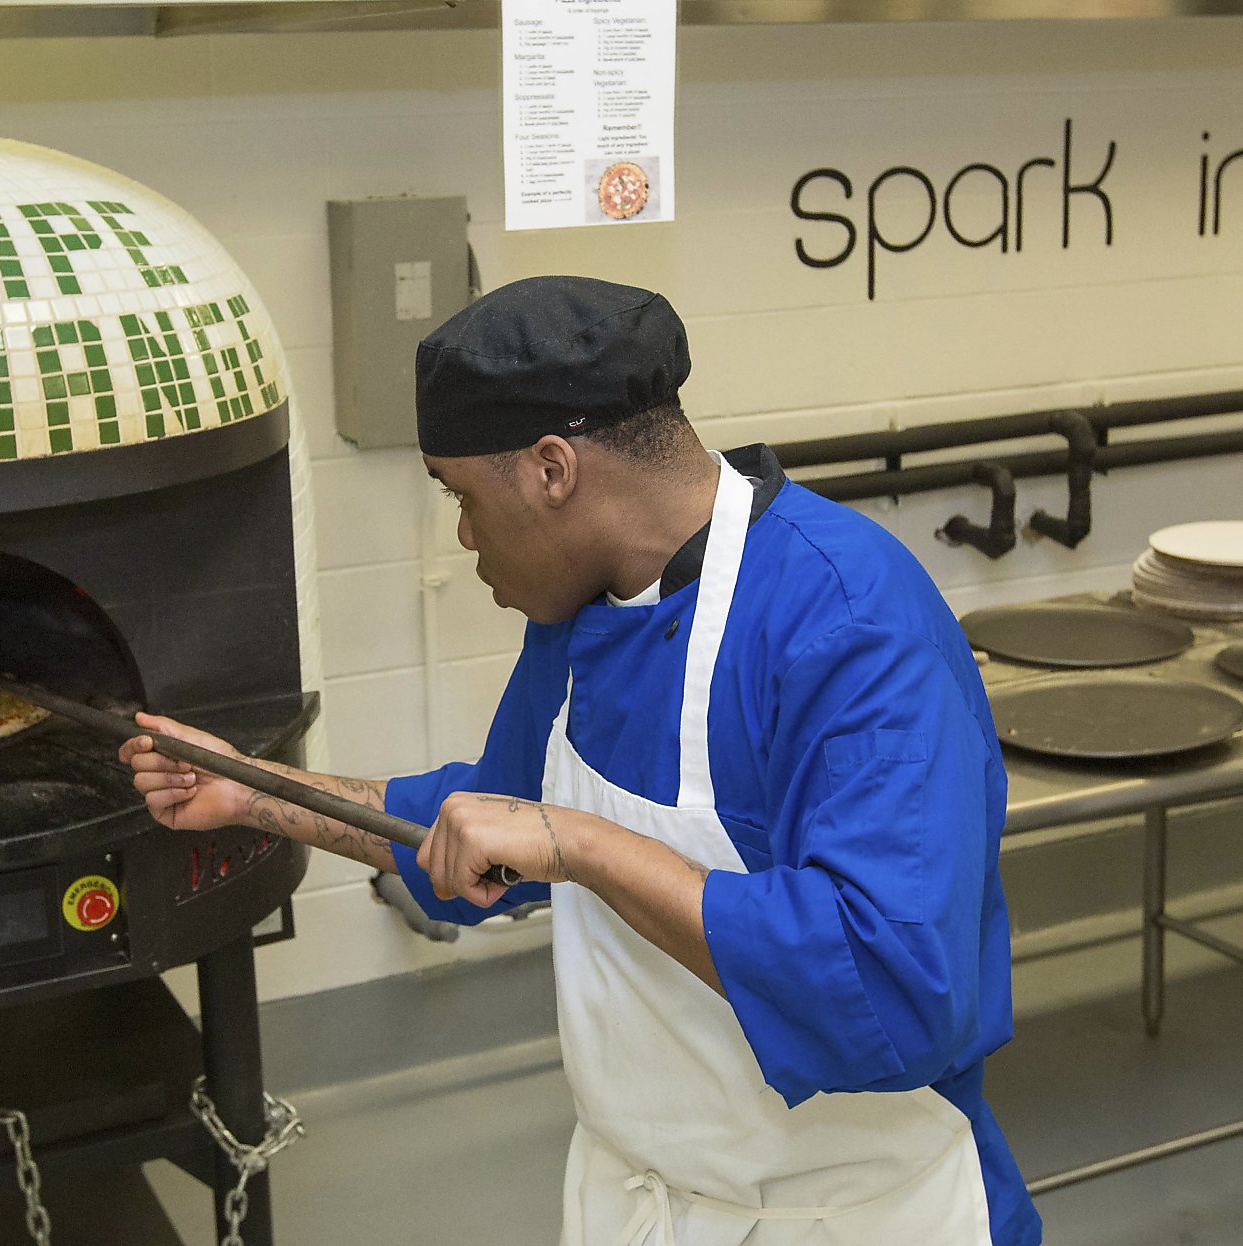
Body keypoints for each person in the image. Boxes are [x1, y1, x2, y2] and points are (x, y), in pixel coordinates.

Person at [118, 275, 1043, 1246]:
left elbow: (892, 981)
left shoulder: (844, 620)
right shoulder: (584, 614)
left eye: (462, 499)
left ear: (551, 469)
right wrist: (252, 793)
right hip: (638, 1199)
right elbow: (491, 823)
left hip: (851, 1215)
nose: (466, 541)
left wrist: (583, 845)